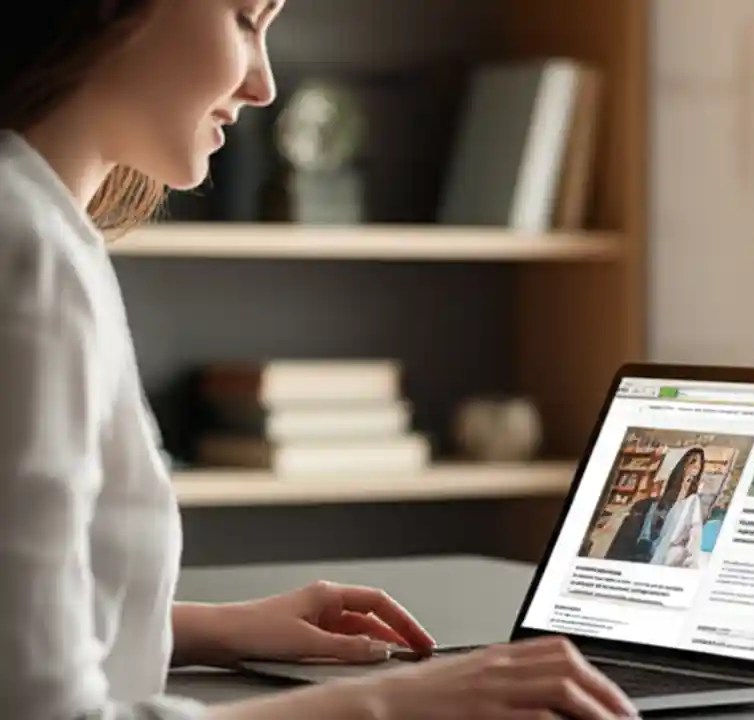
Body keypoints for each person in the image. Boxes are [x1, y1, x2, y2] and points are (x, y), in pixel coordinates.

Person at [0, 2, 637, 719]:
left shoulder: (36, 228)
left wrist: (219, 628)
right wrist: (386, 706)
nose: (263, 84)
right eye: (244, 17)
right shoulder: (28, 255)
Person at [649, 448, 706, 568]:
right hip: (664, 540)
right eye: (693, 461)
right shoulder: (673, 490)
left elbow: (694, 525)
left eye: (699, 462)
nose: (697, 465)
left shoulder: (696, 495)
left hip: (680, 544)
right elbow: (661, 518)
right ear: (685, 464)